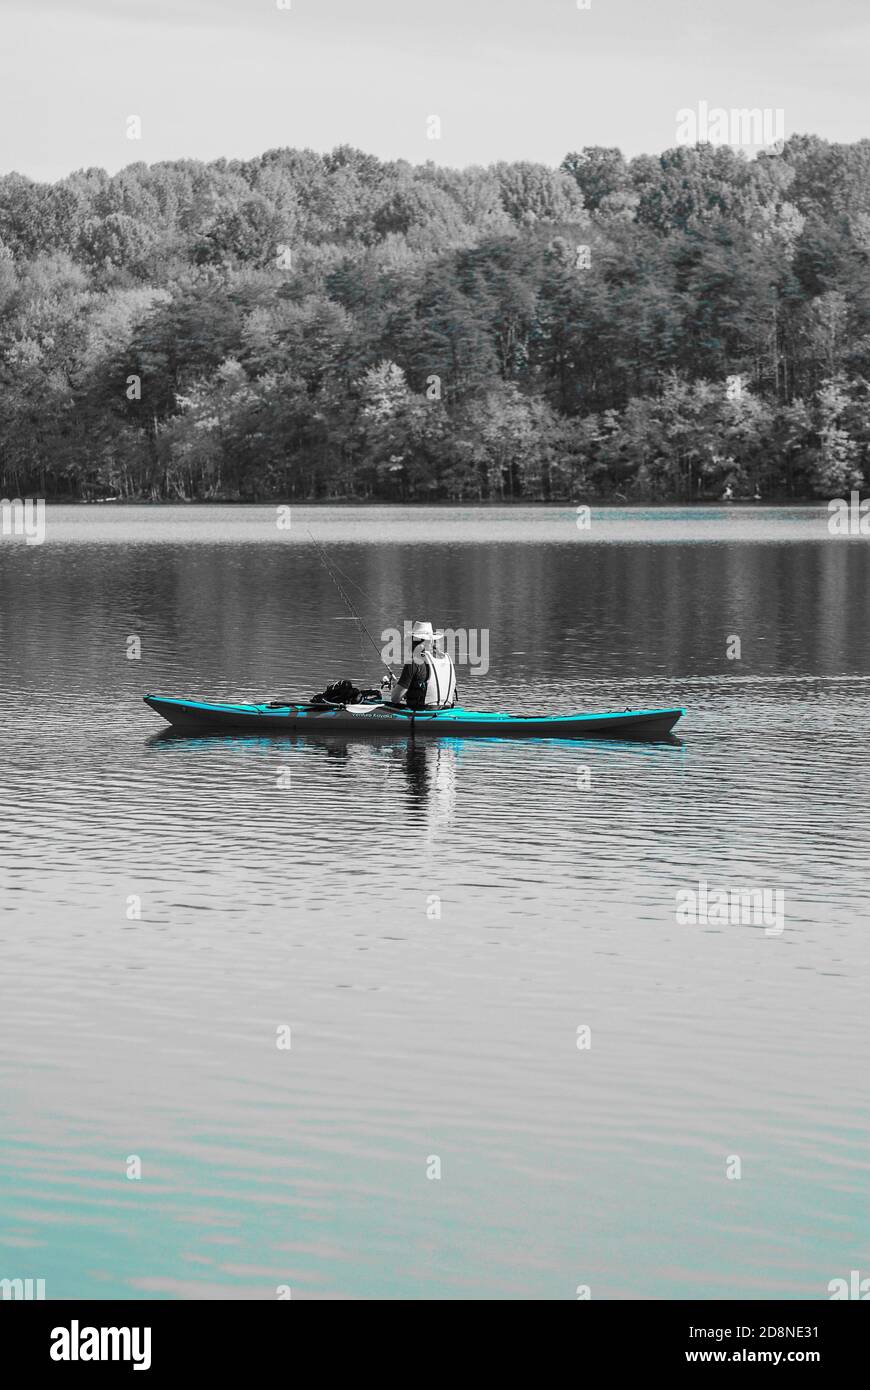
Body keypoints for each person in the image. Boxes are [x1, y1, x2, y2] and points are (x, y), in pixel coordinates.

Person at [385, 620, 457, 709]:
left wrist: (396, 688)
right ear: (431, 641)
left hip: (423, 714)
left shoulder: (413, 663)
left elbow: (395, 699)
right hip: (447, 711)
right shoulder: (446, 660)